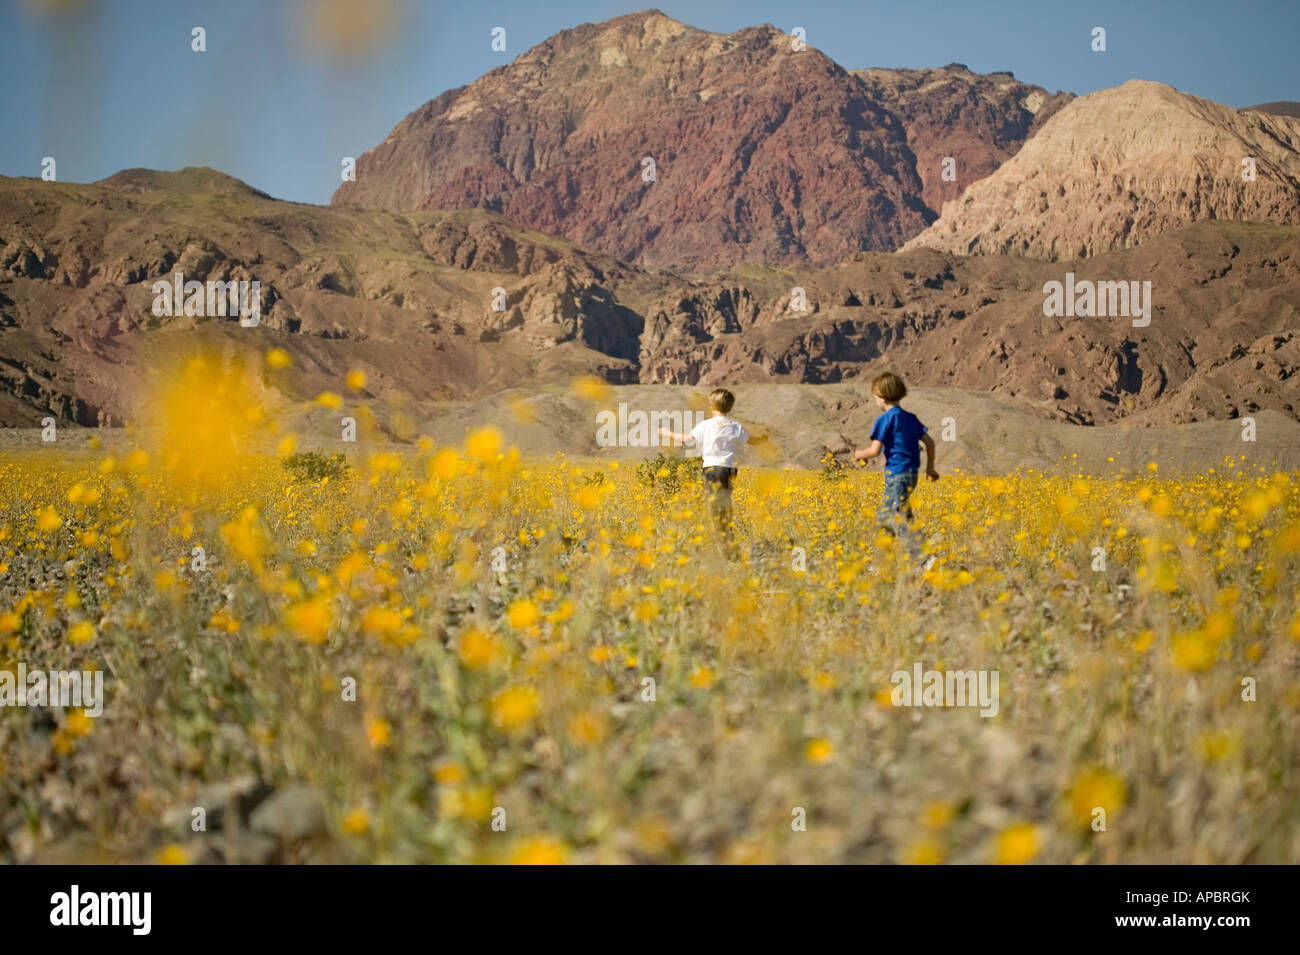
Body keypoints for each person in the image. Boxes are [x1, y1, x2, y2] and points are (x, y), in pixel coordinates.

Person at [659, 388, 758, 557]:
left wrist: (666, 433)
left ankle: (726, 549)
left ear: (711, 405)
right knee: (725, 506)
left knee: (715, 510)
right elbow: (750, 440)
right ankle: (728, 545)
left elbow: (687, 440)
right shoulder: (735, 426)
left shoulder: (706, 425)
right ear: (730, 406)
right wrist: (764, 440)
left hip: (712, 469)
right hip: (729, 470)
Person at [852, 372, 938, 562]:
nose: (875, 401)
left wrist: (858, 454)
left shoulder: (885, 419)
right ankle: (883, 563)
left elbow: (874, 451)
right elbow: (930, 443)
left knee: (896, 516)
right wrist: (930, 469)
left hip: (897, 475)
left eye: (875, 398)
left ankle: (924, 559)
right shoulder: (910, 418)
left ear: (881, 397)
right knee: (887, 517)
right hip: (911, 474)